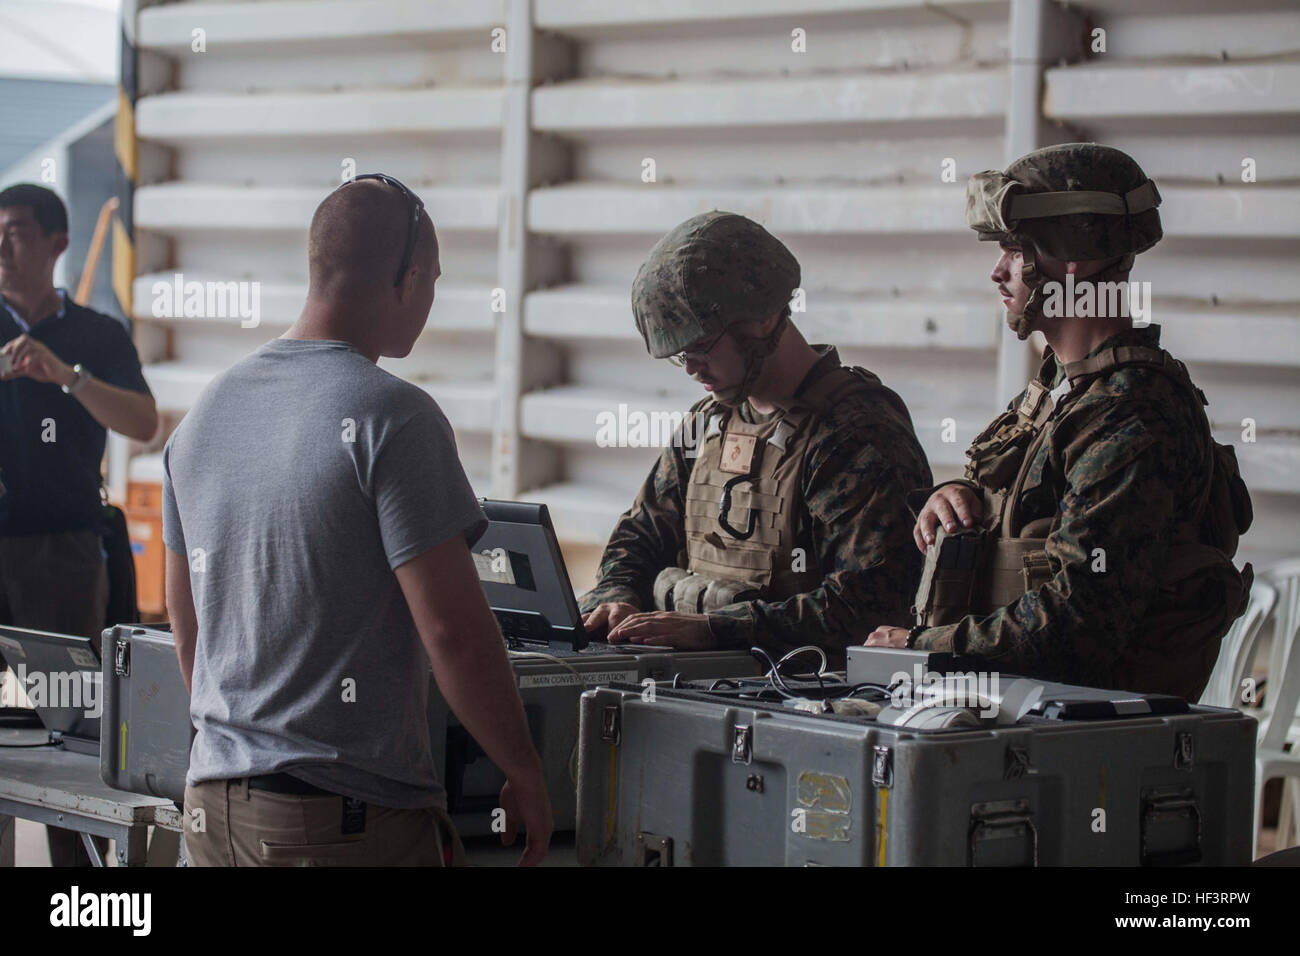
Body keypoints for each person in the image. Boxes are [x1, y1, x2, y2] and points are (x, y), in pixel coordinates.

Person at [163, 174, 551, 866]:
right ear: (407, 279)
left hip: (210, 804)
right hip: (334, 820)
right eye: (432, 281)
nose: (431, 300)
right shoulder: (394, 417)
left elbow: (187, 626)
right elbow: (453, 632)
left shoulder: (204, 416)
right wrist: (522, 768)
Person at [866, 144, 1253, 701]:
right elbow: (1020, 501)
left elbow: (1079, 622)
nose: (998, 272)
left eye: (1016, 251)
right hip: (1019, 711)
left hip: (1084, 732)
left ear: (1071, 261)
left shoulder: (1130, 412)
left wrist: (921, 648)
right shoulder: (1061, 387)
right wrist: (956, 493)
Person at [582, 211, 931, 669]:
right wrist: (616, 596)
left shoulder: (856, 433)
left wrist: (719, 629)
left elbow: (869, 605)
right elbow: (642, 532)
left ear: (764, 319)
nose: (691, 368)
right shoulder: (708, 423)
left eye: (702, 345)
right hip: (701, 680)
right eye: (680, 355)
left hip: (805, 692)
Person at [0, 183, 157, 866]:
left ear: (59, 244)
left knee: (70, 741)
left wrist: (68, 377)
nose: (2, 246)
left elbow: (145, 425)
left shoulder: (97, 335)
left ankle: (81, 891)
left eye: (18, 232)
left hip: (64, 558)